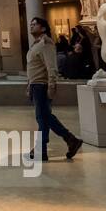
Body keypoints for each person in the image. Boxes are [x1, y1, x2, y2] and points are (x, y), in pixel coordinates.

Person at [26, 16, 82, 162]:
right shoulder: (36, 44)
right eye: (31, 24)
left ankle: (45, 148)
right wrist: (29, 85)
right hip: (36, 85)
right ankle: (69, 140)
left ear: (43, 28)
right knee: (44, 118)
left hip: (42, 86)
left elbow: (51, 68)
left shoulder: (46, 44)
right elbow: (33, 68)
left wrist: (52, 86)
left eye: (34, 24)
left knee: (43, 117)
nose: (31, 26)